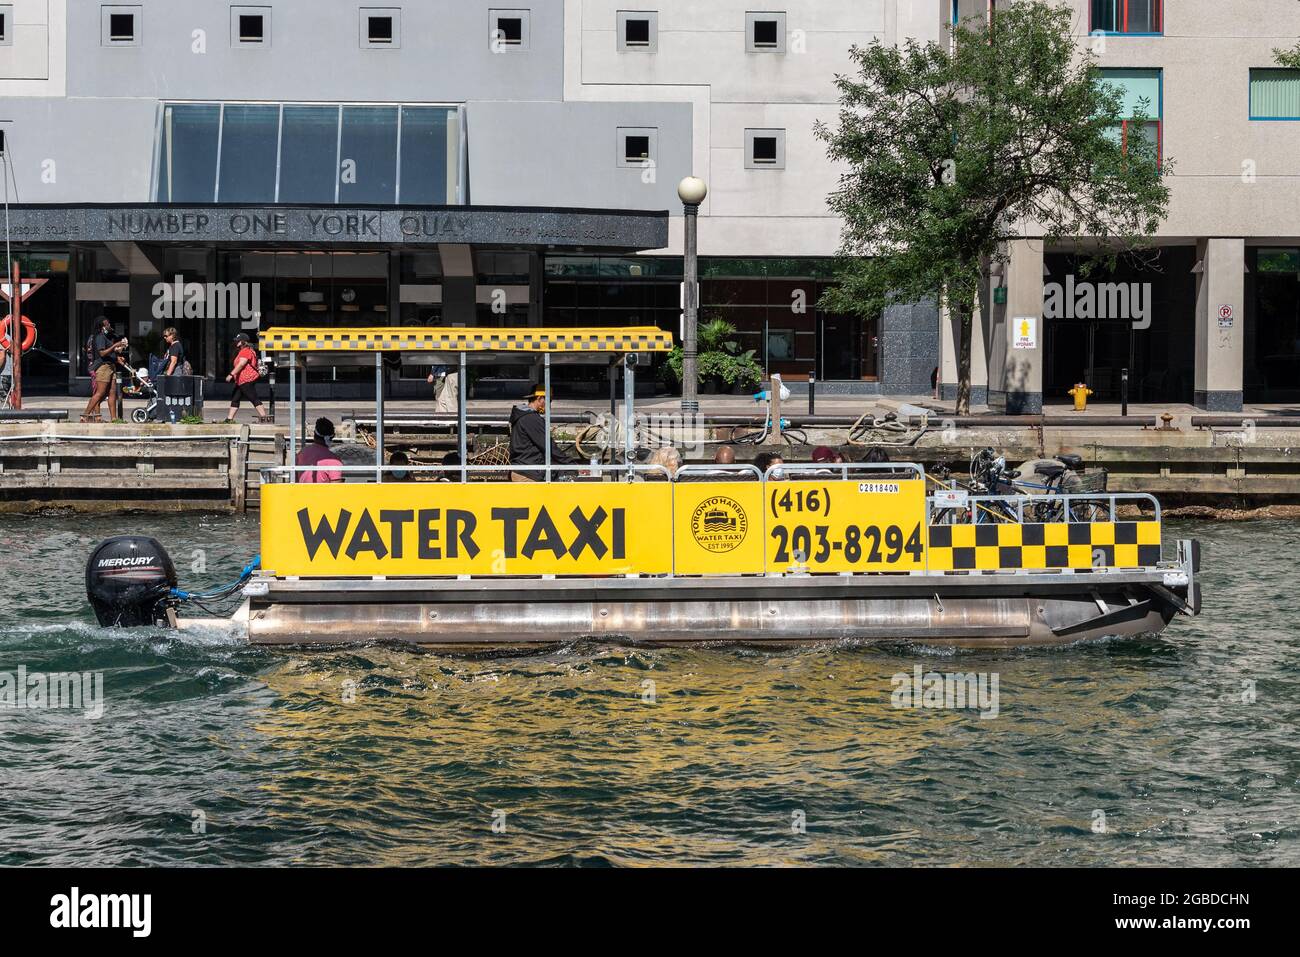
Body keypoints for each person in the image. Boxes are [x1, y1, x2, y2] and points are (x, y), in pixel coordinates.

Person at [508, 384, 573, 481]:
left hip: (522, 469)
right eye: (548, 400)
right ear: (539, 399)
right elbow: (548, 446)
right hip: (528, 474)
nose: (549, 405)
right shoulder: (531, 419)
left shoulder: (522, 416)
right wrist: (570, 464)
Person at [81, 316, 129, 423]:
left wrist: (117, 356)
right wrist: (115, 345)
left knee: (112, 393)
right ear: (102, 327)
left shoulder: (106, 337)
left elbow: (110, 353)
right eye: (107, 324)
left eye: (109, 323)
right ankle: (85, 416)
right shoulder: (100, 337)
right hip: (103, 367)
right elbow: (102, 353)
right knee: (100, 393)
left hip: (111, 366)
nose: (109, 325)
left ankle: (114, 418)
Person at [224, 332, 272, 423]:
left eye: (238, 341)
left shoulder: (246, 351)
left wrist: (231, 374)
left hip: (247, 379)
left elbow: (241, 364)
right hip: (241, 380)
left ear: (243, 342)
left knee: (253, 397)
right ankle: (229, 419)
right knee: (235, 398)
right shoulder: (244, 350)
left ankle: (264, 418)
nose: (236, 342)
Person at [295, 417, 344, 483]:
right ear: (331, 437)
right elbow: (336, 490)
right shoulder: (333, 460)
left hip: (301, 493)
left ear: (314, 434)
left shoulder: (301, 453)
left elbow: (295, 479)